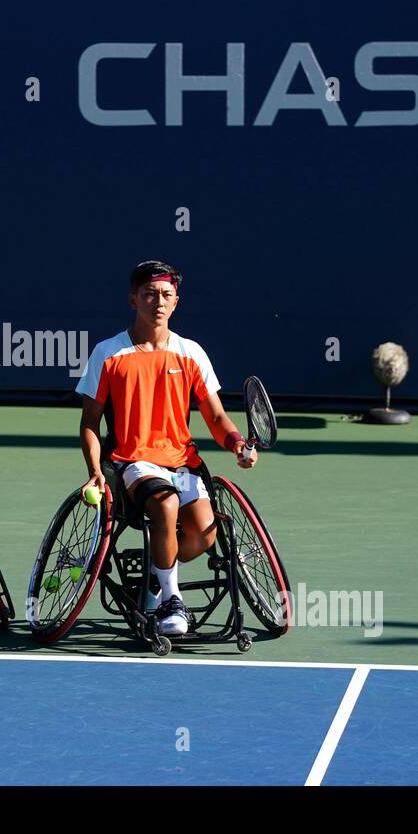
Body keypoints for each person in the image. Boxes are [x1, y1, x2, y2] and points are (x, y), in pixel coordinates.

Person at [75, 260, 255, 636]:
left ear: (176, 302)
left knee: (205, 533)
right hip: (133, 461)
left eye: (166, 296)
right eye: (150, 295)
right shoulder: (107, 354)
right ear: (133, 300)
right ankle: (172, 601)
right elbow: (89, 423)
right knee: (165, 503)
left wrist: (237, 443)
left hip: (182, 462)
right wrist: (94, 469)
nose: (158, 302)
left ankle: (157, 573)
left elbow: (217, 417)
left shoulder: (191, 353)